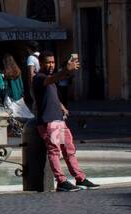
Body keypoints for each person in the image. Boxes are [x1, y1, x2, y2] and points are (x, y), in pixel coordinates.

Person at [32, 50, 99, 191]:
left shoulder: (52, 79)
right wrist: (65, 71)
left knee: (69, 150)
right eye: (48, 62)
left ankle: (80, 178)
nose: (51, 65)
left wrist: (61, 106)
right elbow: (51, 80)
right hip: (49, 122)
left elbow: (51, 94)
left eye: (53, 62)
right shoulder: (39, 77)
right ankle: (61, 181)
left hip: (59, 120)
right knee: (54, 151)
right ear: (41, 63)